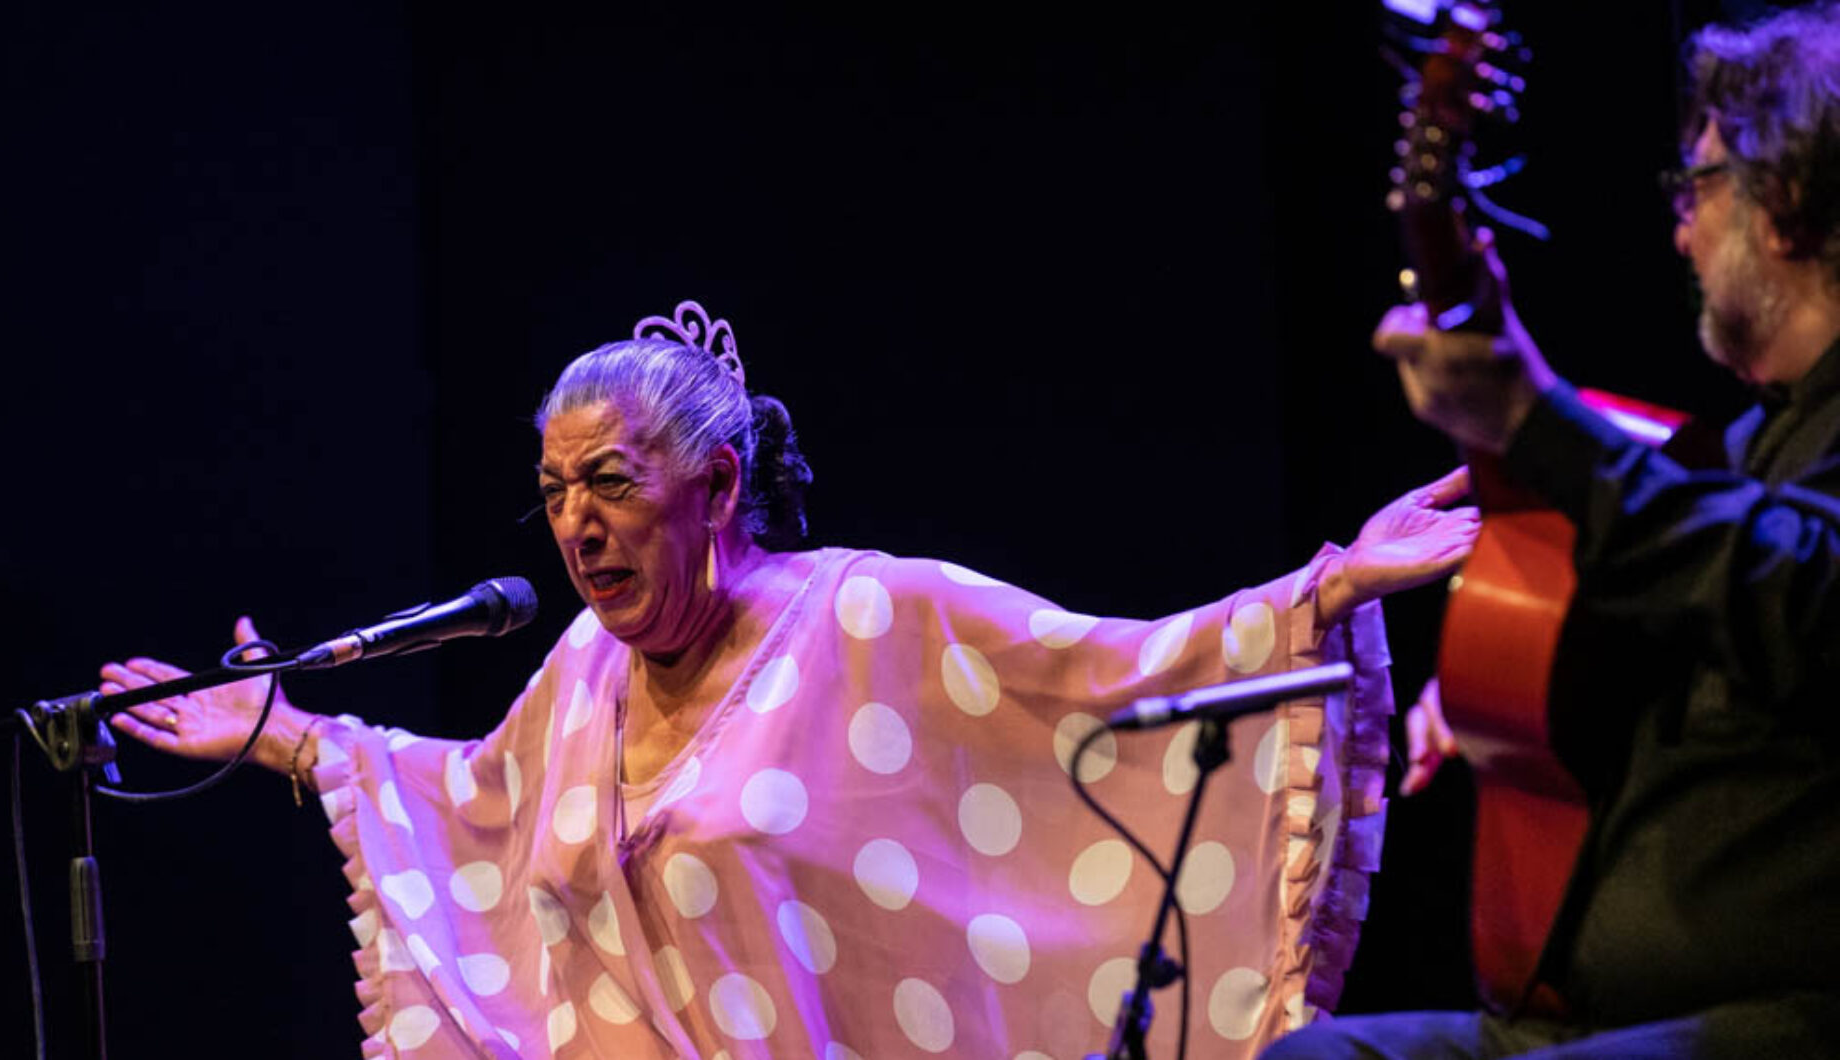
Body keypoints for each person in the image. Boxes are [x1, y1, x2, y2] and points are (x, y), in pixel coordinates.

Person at [101, 299, 1476, 1058]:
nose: (576, 523)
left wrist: (1327, 588)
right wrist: (289, 733)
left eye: (609, 485)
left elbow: (1112, 677)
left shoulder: (869, 613)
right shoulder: (584, 669)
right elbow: (469, 804)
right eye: (552, 492)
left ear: (718, 486)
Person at [1266, 5, 1840, 1058]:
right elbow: (1714, 657)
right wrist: (1513, 695)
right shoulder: (1758, 437)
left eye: (1697, 185)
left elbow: (1797, 594)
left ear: (1787, 200)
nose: (1680, 229)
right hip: (1610, 1007)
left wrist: (1532, 418)